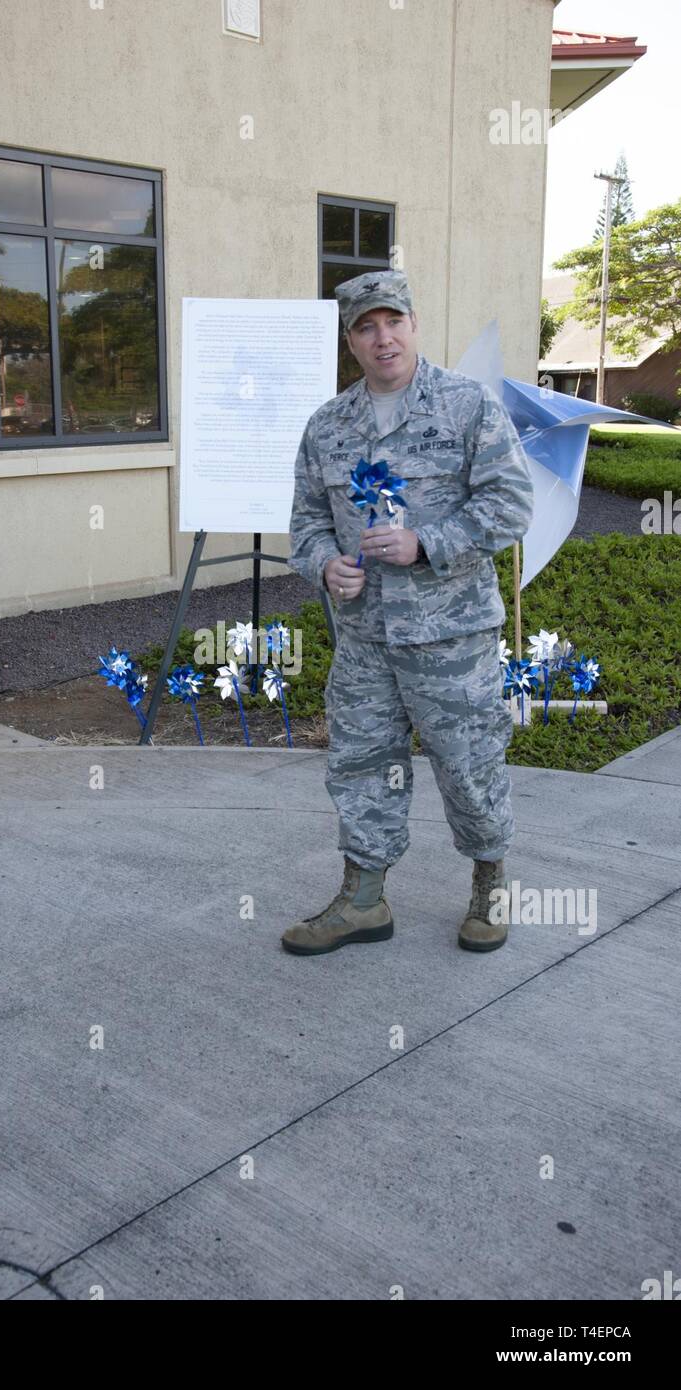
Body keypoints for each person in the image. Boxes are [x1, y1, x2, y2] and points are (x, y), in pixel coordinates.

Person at [283, 269, 534, 956]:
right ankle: (363, 899)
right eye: (365, 327)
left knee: (468, 763)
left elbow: (509, 505)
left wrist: (426, 543)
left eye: (392, 321)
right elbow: (305, 522)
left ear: (413, 324)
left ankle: (489, 884)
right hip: (364, 639)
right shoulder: (328, 425)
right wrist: (321, 564)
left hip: (449, 637)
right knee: (361, 764)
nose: (381, 337)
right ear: (349, 340)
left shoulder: (466, 407)